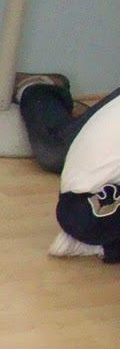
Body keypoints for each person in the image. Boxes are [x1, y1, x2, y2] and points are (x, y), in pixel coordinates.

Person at [20, 83, 120, 262]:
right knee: (54, 152)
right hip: (87, 209)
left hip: (83, 207)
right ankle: (99, 243)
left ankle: (101, 243)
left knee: (55, 152)